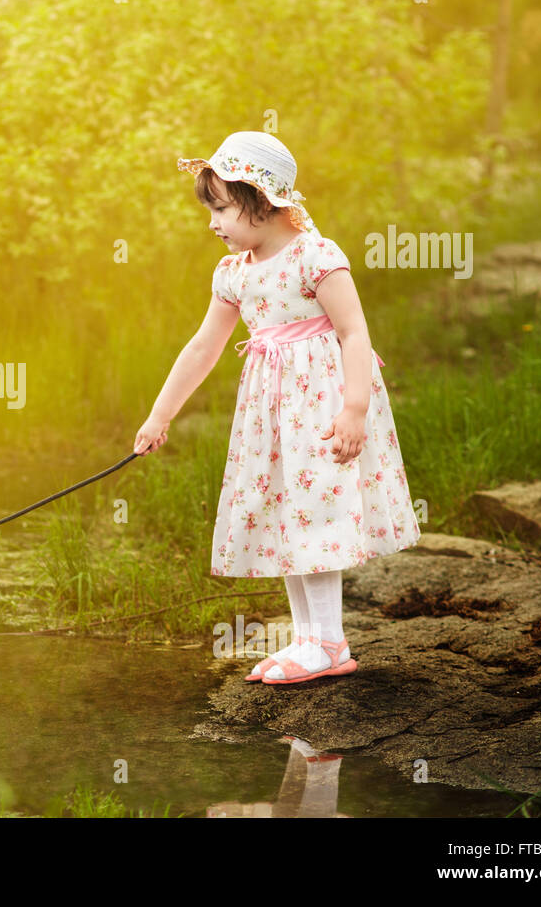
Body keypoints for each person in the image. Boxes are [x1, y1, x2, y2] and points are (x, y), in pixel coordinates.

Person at [132, 132, 421, 684]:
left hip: (323, 402)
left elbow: (354, 331)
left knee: (317, 513)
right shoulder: (234, 273)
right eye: (210, 208)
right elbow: (203, 347)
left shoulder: (315, 254)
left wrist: (354, 409)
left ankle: (330, 642)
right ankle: (308, 639)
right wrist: (159, 415)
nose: (212, 222)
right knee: (290, 515)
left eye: (221, 207)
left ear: (261, 199)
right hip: (272, 414)